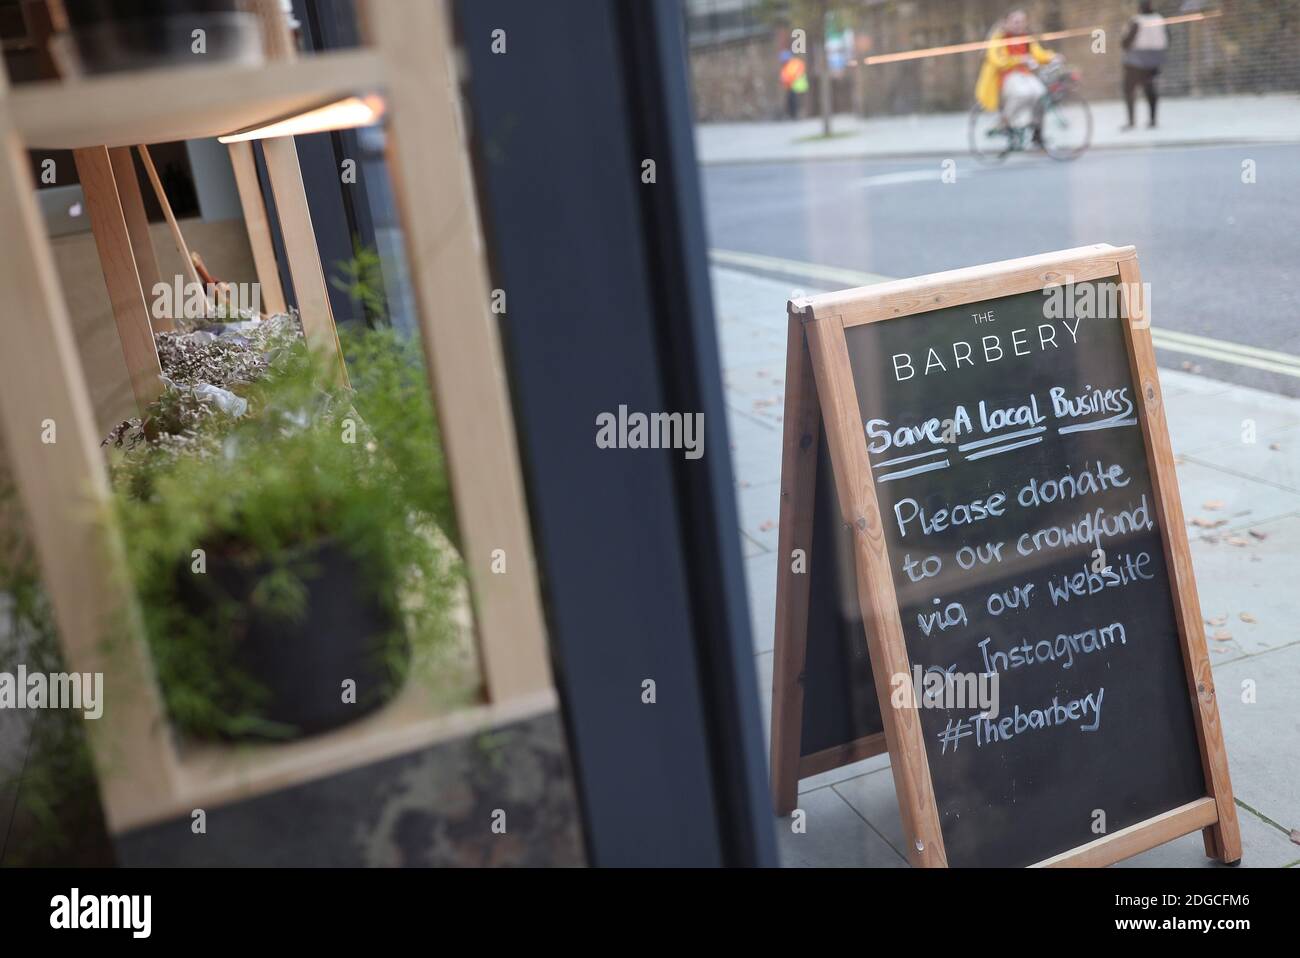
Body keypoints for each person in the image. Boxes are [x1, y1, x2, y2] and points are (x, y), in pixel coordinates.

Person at [975, 10, 1059, 133]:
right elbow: (997, 60)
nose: (1019, 25)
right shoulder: (999, 38)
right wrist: (1019, 60)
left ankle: (1033, 126)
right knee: (1022, 93)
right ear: (1007, 22)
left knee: (1040, 93)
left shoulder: (1026, 39)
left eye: (1022, 22)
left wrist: (1052, 57)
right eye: (1016, 22)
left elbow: (1038, 54)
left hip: (1025, 74)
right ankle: (1004, 121)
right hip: (1005, 76)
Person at [1121, 1, 1168, 130]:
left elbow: (1126, 42)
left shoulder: (1137, 21)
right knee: (1150, 90)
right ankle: (1152, 120)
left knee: (1128, 90)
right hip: (1154, 60)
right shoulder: (1159, 19)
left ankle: (1131, 121)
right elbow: (1167, 37)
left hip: (1136, 62)